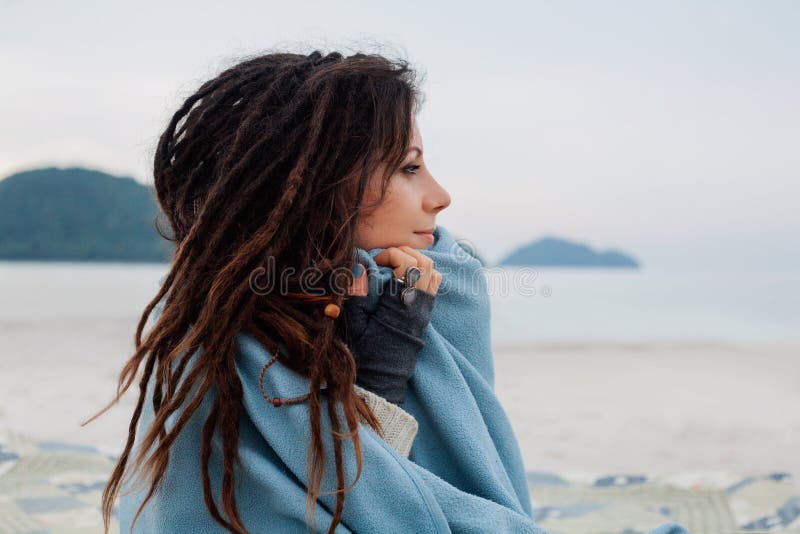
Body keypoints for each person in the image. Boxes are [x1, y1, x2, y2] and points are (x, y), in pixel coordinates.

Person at [83, 49, 688, 534]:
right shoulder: (216, 324)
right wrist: (378, 370)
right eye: (408, 168)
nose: (440, 196)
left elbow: (440, 488)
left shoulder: (433, 281)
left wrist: (381, 360)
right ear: (320, 187)